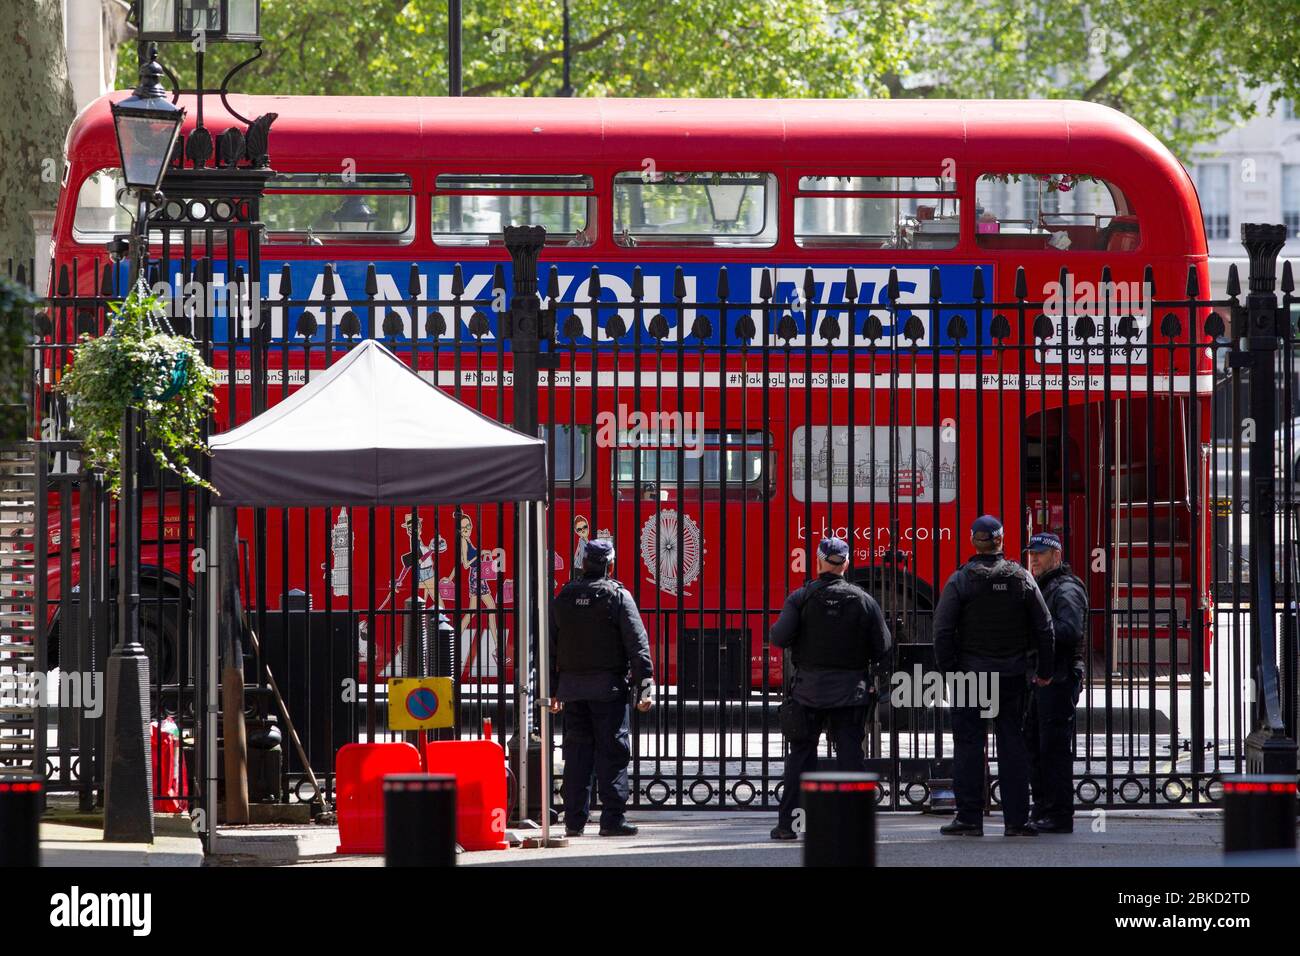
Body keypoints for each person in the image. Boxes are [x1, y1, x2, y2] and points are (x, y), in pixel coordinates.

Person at [932, 515, 1054, 837]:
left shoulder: (961, 580)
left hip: (971, 676)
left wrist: (951, 673)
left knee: (969, 745)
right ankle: (1016, 820)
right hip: (1012, 674)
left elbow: (942, 631)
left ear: (974, 541)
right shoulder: (1021, 577)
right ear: (1001, 540)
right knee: (1013, 745)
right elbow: (1045, 628)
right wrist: (1043, 671)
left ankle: (969, 818)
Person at [769, 536, 892, 841]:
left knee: (800, 757)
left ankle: (790, 824)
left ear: (819, 561)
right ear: (847, 563)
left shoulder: (801, 597)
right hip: (851, 692)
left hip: (808, 691)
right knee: (851, 756)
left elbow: (779, 637)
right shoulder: (863, 600)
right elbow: (884, 646)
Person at [549, 538, 655, 837]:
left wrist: (554, 689)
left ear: (583, 564)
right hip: (608, 690)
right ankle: (611, 820)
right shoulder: (618, 596)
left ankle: (574, 821)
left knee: (577, 754)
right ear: (610, 565)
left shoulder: (565, 596)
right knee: (613, 753)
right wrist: (645, 687)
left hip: (572, 691)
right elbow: (638, 645)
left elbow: (550, 647)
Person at [1024, 532, 1088, 833]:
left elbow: (1070, 630)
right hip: (1044, 675)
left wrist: (1035, 630)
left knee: (1054, 748)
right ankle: (1043, 808)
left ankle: (1060, 814)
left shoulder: (1066, 588)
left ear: (1056, 556)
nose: (1034, 558)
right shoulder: (1044, 586)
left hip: (1060, 677)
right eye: (1031, 553)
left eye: (1040, 553)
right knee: (1036, 745)